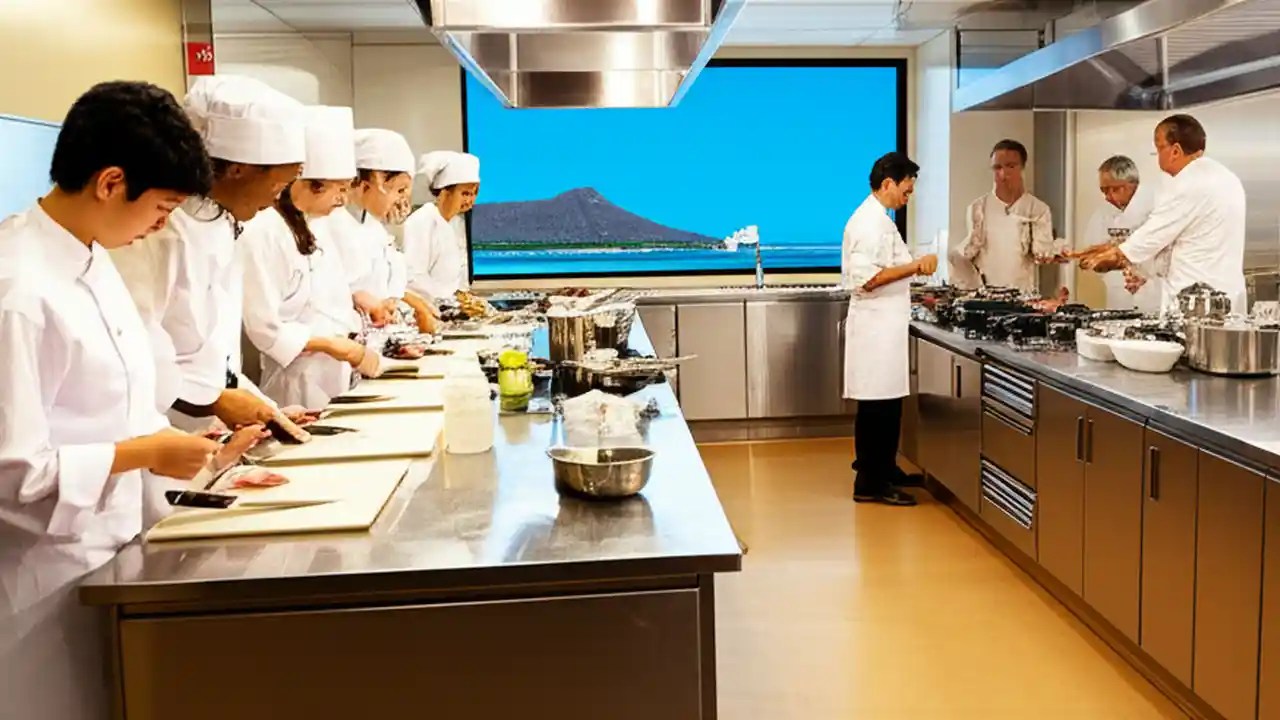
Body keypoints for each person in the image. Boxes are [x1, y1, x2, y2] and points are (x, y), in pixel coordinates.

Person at [0, 81, 233, 720]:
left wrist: (198, 460)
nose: (163, 225)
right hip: (38, 583)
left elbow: (121, 405)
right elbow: (14, 472)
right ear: (109, 182)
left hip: (109, 557)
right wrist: (147, 451)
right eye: (161, 207)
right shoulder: (17, 289)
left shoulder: (91, 258)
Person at [110, 75, 307, 432]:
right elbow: (130, 351)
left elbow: (216, 356)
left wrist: (265, 410)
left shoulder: (221, 225)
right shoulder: (157, 229)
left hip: (210, 434)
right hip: (161, 436)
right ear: (236, 170)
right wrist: (214, 401)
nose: (277, 199)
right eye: (277, 185)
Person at [240, 106, 380, 408]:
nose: (343, 200)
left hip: (335, 370)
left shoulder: (314, 225)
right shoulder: (263, 232)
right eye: (338, 190)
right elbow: (265, 328)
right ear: (302, 183)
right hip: (297, 381)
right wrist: (331, 345)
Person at [1078, 114, 1247, 313]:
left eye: (1159, 148)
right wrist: (1142, 270)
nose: (1157, 155)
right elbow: (1182, 242)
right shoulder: (1225, 177)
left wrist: (1113, 256)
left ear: (1175, 150)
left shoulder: (1189, 182)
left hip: (1196, 303)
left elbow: (1152, 237)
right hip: (1226, 296)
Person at [843, 151, 937, 507]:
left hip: (885, 327)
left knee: (887, 405)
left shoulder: (880, 219)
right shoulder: (869, 223)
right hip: (875, 329)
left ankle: (885, 468)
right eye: (906, 191)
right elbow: (868, 278)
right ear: (888, 184)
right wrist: (915, 267)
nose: (907, 198)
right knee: (876, 409)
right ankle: (870, 482)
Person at [327, 128, 439, 334]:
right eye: (399, 190)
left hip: (374, 341)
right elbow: (332, 297)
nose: (402, 200)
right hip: (343, 347)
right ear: (368, 183)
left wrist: (400, 303)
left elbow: (384, 287)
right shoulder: (332, 224)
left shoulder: (371, 225)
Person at [952, 139, 1058, 292]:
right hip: (985, 296)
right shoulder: (978, 208)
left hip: (1022, 295)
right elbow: (969, 251)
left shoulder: (1038, 209)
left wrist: (1052, 252)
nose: (1003, 174)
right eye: (997, 168)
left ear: (1022, 168)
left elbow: (1042, 253)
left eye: (1010, 166)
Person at [1081, 155, 1162, 312]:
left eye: (1115, 189)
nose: (1109, 196)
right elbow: (1090, 256)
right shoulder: (1103, 214)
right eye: (1104, 190)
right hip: (1118, 297)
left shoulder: (1157, 208)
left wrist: (1144, 274)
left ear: (1133, 185)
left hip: (1154, 296)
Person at [403, 150, 481, 301]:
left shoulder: (457, 224)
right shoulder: (422, 221)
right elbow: (413, 278)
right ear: (445, 192)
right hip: (429, 309)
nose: (471, 200)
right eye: (465, 193)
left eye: (474, 193)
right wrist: (449, 298)